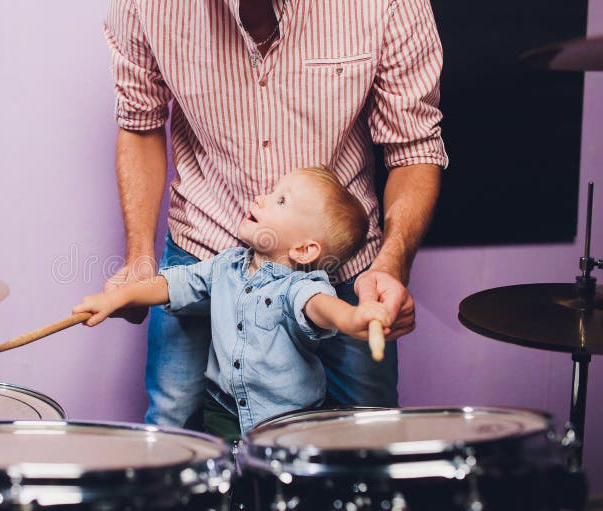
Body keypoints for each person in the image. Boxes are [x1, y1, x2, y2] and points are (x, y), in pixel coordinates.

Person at [103, 0, 448, 428]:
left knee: (366, 451)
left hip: (346, 269)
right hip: (202, 248)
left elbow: (413, 148)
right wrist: (138, 259)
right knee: (173, 450)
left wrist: (392, 264)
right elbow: (140, 123)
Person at [74, 167, 392, 440]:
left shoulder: (300, 286)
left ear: (304, 250)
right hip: (223, 411)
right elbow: (174, 284)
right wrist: (118, 297)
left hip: (287, 424)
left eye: (281, 201)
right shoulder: (225, 266)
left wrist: (352, 318)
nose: (260, 198)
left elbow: (321, 307)